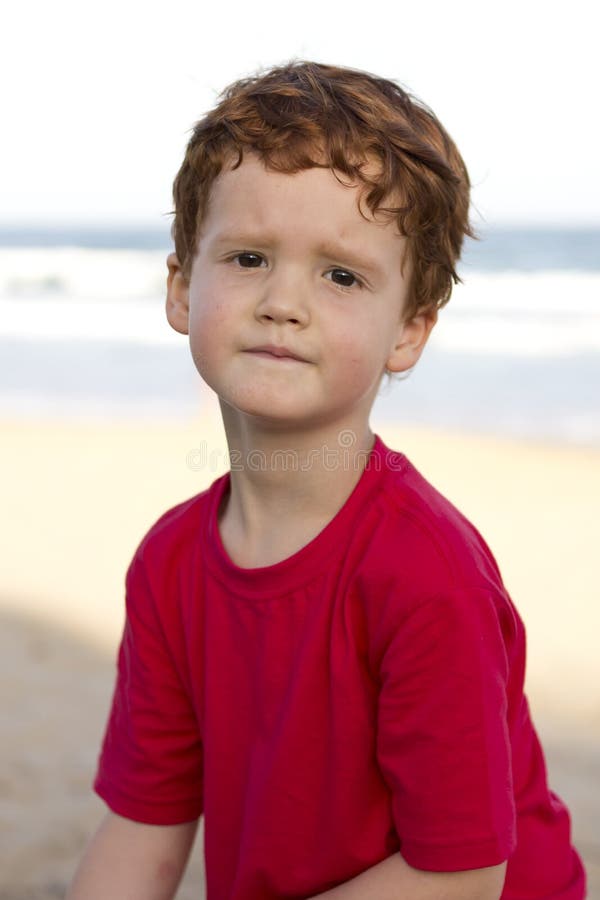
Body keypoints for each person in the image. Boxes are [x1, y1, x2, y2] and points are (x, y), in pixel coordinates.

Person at [67, 61, 586, 900]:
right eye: (246, 257)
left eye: (340, 275)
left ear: (409, 331)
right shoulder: (168, 566)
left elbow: (462, 873)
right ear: (179, 286)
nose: (283, 301)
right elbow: (143, 827)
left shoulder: (423, 573)